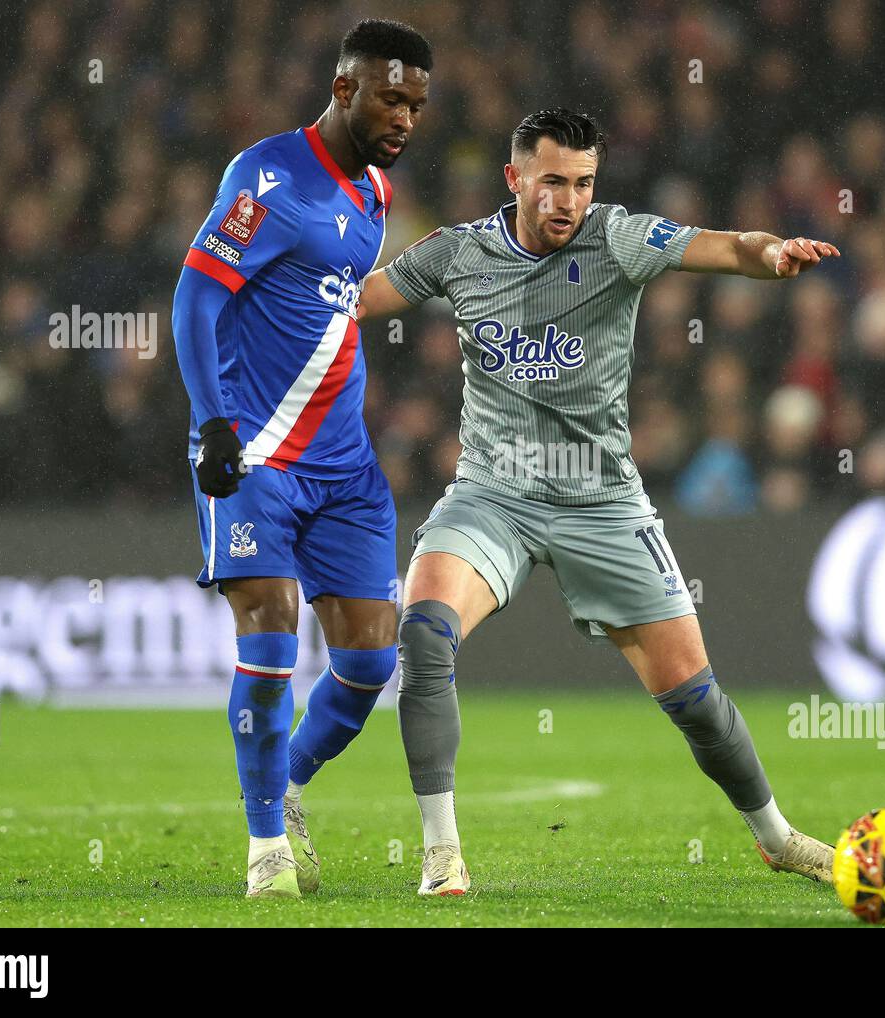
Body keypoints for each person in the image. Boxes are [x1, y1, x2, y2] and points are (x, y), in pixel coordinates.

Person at [350, 107, 841, 895]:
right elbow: (359, 303)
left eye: (582, 184)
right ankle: (441, 849)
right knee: (426, 633)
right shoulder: (458, 252)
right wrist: (274, 291)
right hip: (493, 493)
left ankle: (776, 836)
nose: (567, 201)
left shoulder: (616, 238)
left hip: (602, 501)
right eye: (551, 182)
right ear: (515, 180)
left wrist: (771, 251)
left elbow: (720, 247)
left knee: (697, 701)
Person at [170, 19, 431, 898]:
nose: (405, 117)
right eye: (392, 97)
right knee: (272, 635)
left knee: (367, 665)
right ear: (345, 88)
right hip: (255, 456)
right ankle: (265, 851)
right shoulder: (267, 178)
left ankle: (285, 788)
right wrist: (211, 425)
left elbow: (331, 315)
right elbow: (195, 299)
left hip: (345, 467)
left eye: (418, 104)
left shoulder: (377, 197)